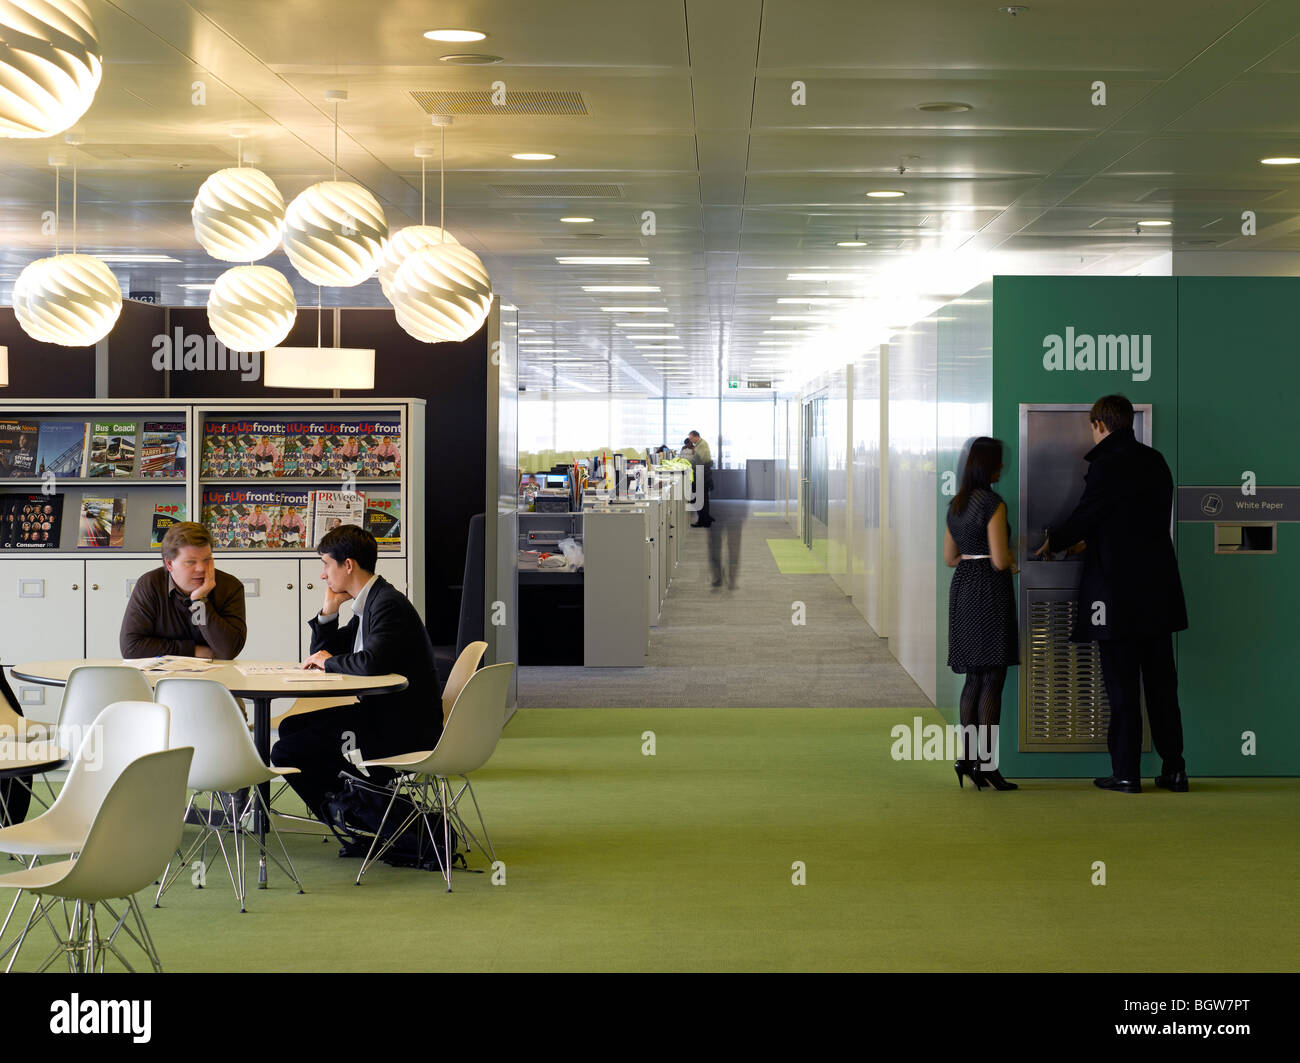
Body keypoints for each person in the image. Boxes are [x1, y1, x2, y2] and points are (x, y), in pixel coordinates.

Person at [1034, 394, 1189, 794]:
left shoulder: (1106, 465)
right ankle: (1174, 770)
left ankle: (1126, 773)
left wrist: (1055, 540)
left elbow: (1088, 515)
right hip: (1158, 590)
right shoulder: (1156, 462)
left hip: (1117, 594)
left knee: (1122, 686)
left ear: (1100, 423)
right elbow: (1137, 522)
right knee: (1161, 686)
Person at [271, 524, 442, 822]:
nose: (323, 575)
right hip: (383, 717)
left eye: (325, 564)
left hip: (404, 728)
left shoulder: (386, 604)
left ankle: (359, 813)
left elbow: (369, 663)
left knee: (287, 751)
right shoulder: (371, 602)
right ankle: (361, 805)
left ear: (347, 565)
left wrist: (328, 661)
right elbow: (326, 653)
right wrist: (328, 612)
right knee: (291, 729)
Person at [943, 437, 1019, 791]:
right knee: (993, 679)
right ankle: (988, 767)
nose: (1002, 468)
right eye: (999, 463)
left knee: (973, 679)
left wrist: (973, 559)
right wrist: (1013, 563)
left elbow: (950, 557)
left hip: (963, 590)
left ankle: (967, 759)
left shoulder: (955, 505)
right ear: (989, 467)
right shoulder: (993, 503)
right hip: (990, 591)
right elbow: (1001, 560)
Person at [120, 522, 247, 659]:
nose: (201, 569)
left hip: (215, 678)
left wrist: (199, 602)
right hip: (162, 677)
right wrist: (193, 651)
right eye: (191, 562)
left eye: (206, 560)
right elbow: (131, 649)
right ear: (169, 564)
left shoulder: (230, 587)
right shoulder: (150, 585)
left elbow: (229, 650)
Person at [686, 430, 714, 527]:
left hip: (702, 473)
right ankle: (705, 519)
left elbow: (698, 460)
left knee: (700, 498)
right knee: (702, 498)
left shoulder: (701, 445)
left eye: (691, 438)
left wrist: (687, 463)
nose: (691, 440)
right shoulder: (699, 444)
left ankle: (703, 520)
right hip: (702, 472)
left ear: (696, 436)